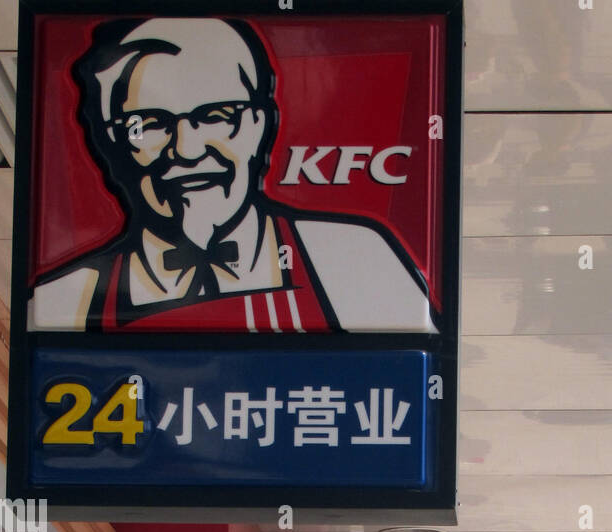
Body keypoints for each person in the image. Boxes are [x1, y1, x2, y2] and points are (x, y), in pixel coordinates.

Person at [30, 17, 435, 333]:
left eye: (216, 117)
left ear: (259, 124)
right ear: (110, 142)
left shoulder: (353, 261)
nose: (187, 149)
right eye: (149, 124)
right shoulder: (65, 302)